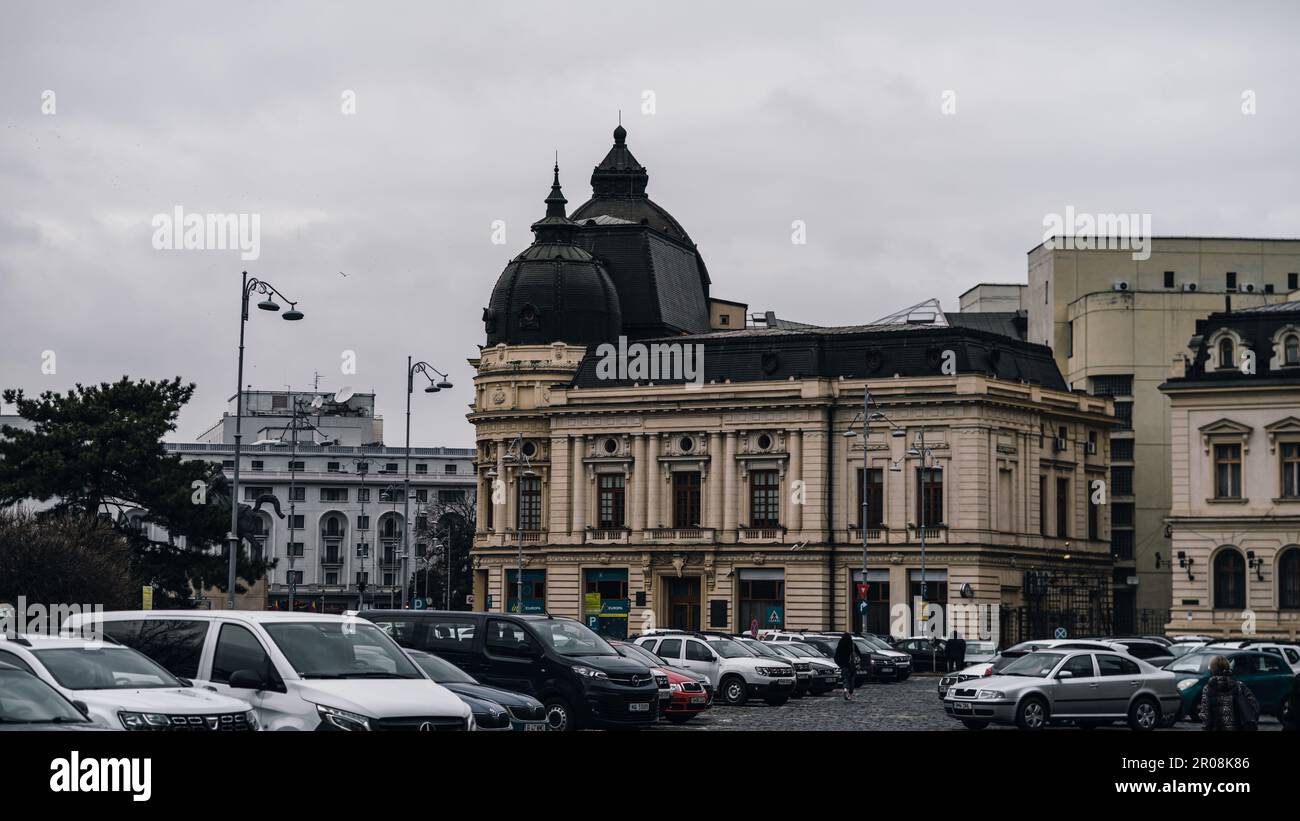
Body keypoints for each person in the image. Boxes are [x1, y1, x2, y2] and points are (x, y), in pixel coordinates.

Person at [1199, 655, 1260, 731]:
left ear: (1212, 669)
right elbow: (1254, 706)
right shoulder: (1239, 686)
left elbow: (1205, 715)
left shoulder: (1208, 688)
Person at [834, 632, 859, 701]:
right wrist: (858, 663)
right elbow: (859, 654)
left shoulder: (840, 645)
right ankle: (850, 695)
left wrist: (840, 665)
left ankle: (845, 690)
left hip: (844, 666)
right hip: (852, 665)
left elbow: (836, 657)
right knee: (852, 680)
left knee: (845, 679)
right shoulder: (852, 645)